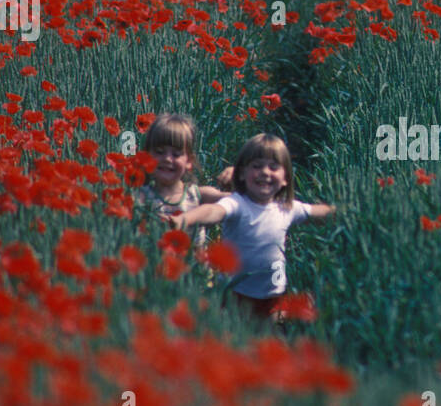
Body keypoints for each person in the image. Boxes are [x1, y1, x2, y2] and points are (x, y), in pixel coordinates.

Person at [167, 133, 334, 322]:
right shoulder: (237, 203)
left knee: (270, 338)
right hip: (234, 293)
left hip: (273, 294)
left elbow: (318, 212)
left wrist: (347, 211)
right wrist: (185, 219)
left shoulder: (287, 207)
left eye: (273, 167)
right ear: (242, 174)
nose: (265, 172)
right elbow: (212, 211)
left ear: (285, 178)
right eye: (257, 166)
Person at [133, 114, 231, 284]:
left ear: (189, 161)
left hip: (195, 279)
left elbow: (237, 199)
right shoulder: (141, 196)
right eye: (159, 152)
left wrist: (236, 174)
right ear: (147, 156)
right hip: (155, 279)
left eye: (176, 154)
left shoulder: (198, 195)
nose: (167, 159)